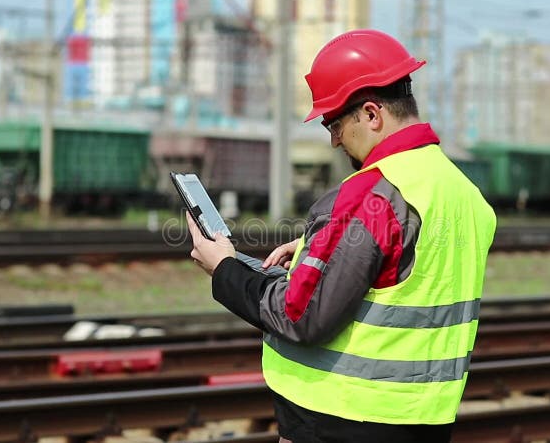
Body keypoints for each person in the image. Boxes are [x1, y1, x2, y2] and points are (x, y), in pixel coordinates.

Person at [187, 29, 497, 443]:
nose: (333, 139)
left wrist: (224, 267)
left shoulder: (369, 195)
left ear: (371, 114)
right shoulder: (462, 192)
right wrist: (326, 247)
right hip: (426, 417)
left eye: (333, 122)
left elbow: (301, 317)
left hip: (340, 417)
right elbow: (409, 265)